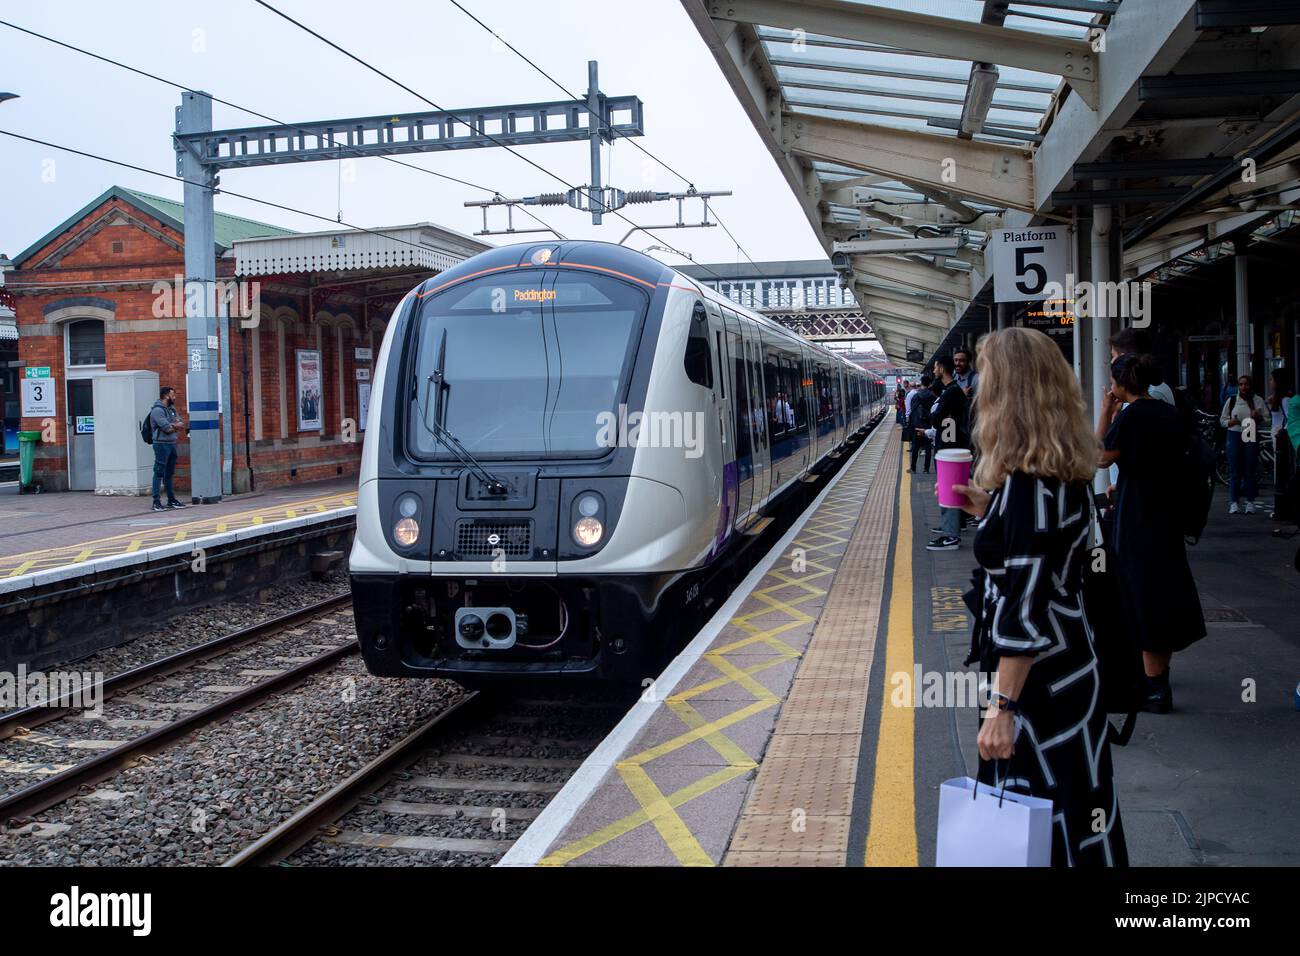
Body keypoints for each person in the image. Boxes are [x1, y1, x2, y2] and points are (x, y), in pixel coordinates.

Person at [952, 327, 1128, 867]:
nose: (981, 393)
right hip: (1074, 671)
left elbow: (1024, 607)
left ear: (1009, 396)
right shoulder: (1058, 476)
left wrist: (1001, 708)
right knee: (1079, 808)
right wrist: (990, 515)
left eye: (989, 382)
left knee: (1034, 818)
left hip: (1042, 689)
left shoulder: (1030, 488)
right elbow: (1048, 561)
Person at [1097, 353, 1206, 713]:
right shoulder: (1167, 412)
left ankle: (1154, 687)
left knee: (1140, 597)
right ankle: (1158, 678)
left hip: (1138, 516)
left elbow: (1099, 456)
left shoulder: (1131, 417)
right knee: (1164, 592)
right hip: (1168, 514)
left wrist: (1106, 410)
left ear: (1120, 384)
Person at [922, 354, 969, 551]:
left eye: (935, 367)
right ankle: (953, 527)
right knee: (949, 488)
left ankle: (951, 536)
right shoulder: (951, 391)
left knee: (948, 488)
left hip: (949, 448)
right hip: (950, 446)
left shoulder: (951, 393)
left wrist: (936, 414)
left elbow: (934, 418)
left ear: (941, 368)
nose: (933, 370)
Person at [1220, 374, 1268, 514]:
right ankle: (1234, 502)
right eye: (1241, 384)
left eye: (1246, 384)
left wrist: (1258, 417)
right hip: (1234, 432)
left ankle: (1250, 502)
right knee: (1234, 469)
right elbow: (1222, 420)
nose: (1243, 387)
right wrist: (1229, 422)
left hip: (1249, 429)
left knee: (1249, 468)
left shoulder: (1257, 400)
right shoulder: (1233, 400)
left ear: (1250, 385)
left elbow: (1266, 419)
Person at [1109, 328, 1174, 405]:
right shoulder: (1138, 389)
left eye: (1113, 356)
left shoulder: (1149, 393)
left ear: (1124, 358)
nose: (1111, 361)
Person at [149, 386, 187, 513]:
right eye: (173, 395)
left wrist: (174, 425)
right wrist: (174, 425)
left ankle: (171, 500)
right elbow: (167, 428)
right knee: (159, 472)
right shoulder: (157, 410)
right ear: (166, 396)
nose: (174, 397)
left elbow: (181, 423)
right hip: (161, 444)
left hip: (172, 443)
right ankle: (156, 501)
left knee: (169, 473)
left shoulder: (172, 409)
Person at [907, 373, 934, 474]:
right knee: (927, 447)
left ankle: (913, 468)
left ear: (921, 383)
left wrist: (912, 424)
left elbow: (912, 411)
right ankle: (926, 469)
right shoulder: (932, 396)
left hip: (917, 425)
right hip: (927, 425)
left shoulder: (915, 395)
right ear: (929, 384)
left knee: (915, 447)